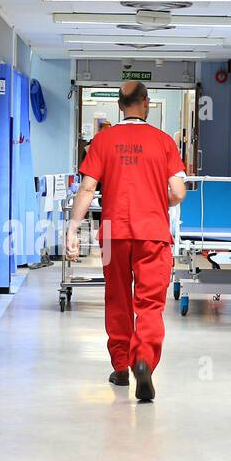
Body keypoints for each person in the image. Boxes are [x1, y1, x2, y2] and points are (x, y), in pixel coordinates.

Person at [66, 81, 187, 402]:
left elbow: (88, 189)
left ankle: (121, 366)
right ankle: (143, 359)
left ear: (120, 106)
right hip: (154, 233)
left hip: (114, 233)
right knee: (149, 304)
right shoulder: (164, 142)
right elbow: (177, 192)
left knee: (117, 299)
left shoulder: (104, 140)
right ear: (145, 104)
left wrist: (72, 228)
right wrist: (158, 202)